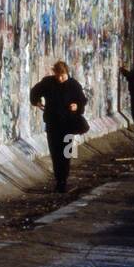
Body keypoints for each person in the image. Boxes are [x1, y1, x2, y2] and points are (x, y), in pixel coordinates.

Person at [30, 61, 87, 193]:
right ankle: (59, 180)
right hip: (53, 124)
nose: (60, 78)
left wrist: (77, 106)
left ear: (66, 73)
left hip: (69, 124)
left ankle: (64, 180)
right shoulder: (48, 82)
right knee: (55, 153)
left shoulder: (73, 84)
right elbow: (34, 92)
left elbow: (82, 100)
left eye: (62, 75)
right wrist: (36, 102)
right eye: (57, 75)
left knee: (66, 153)